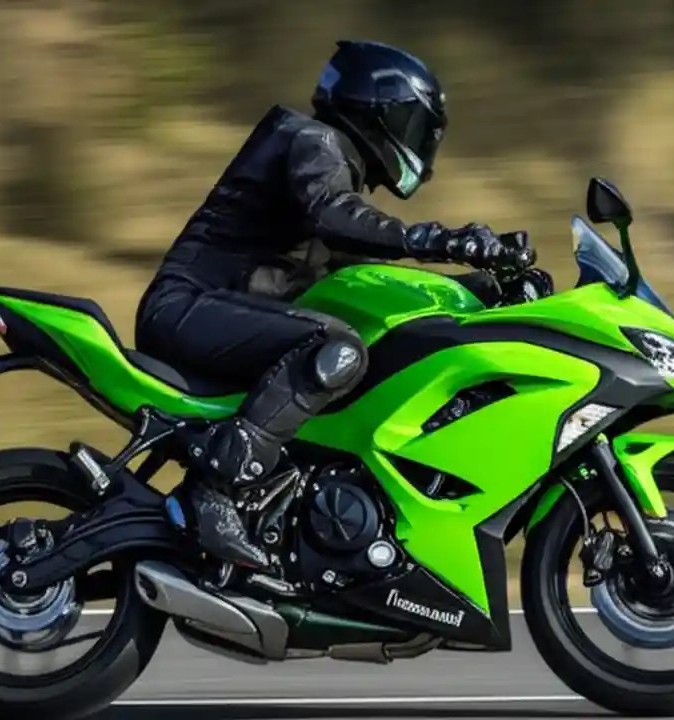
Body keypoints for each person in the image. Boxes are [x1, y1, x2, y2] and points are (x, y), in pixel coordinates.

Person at [135, 40, 536, 571]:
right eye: (416, 127)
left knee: (366, 344)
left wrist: (483, 291)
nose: (421, 146)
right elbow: (337, 216)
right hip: (189, 308)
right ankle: (216, 486)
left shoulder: (328, 170)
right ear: (382, 110)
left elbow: (375, 277)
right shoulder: (310, 141)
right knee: (334, 346)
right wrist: (444, 239)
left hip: (215, 312)